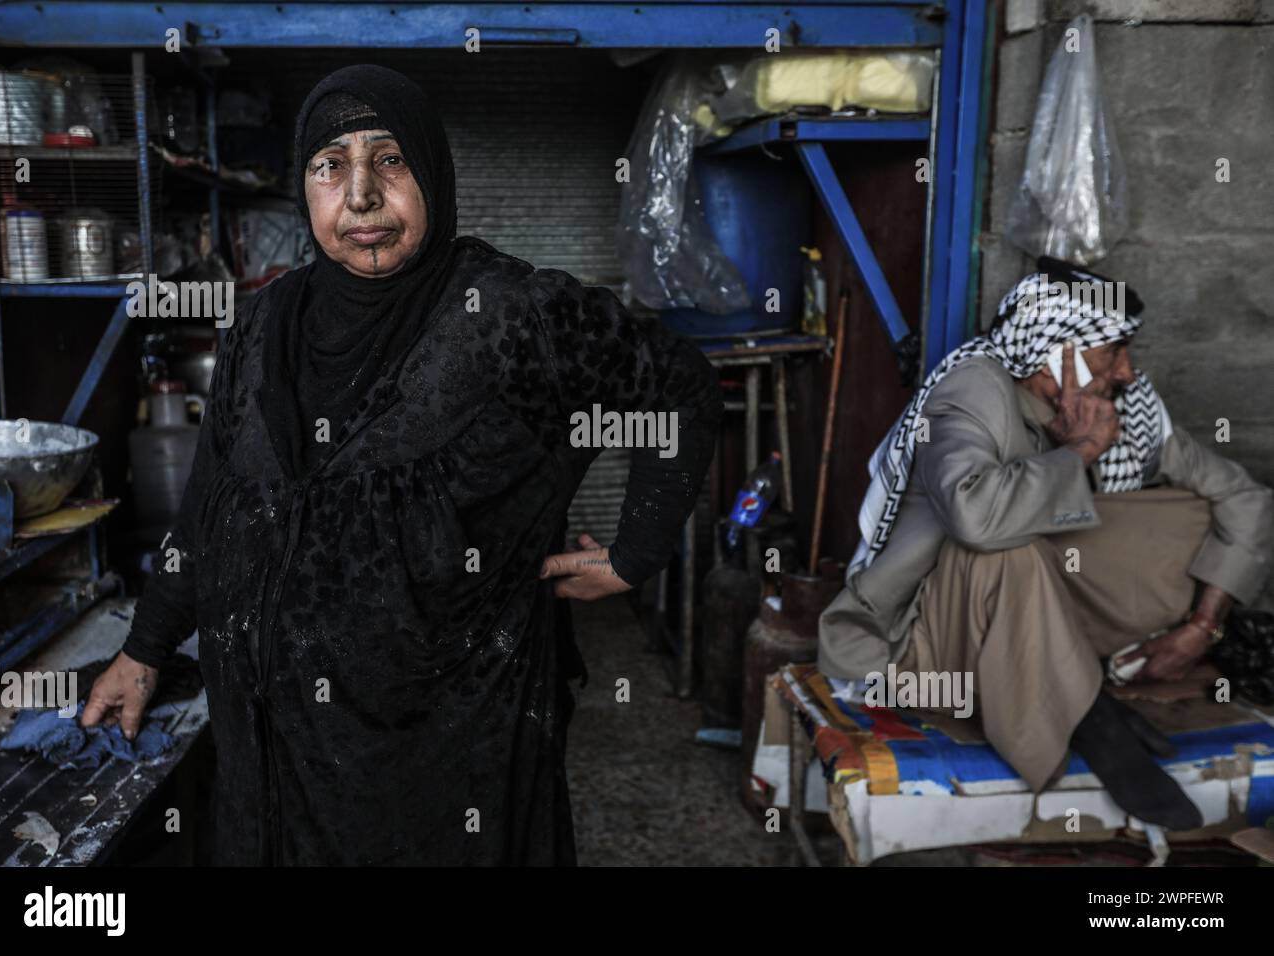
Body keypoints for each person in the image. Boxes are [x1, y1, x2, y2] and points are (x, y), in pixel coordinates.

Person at [81, 64, 722, 865]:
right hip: (268, 769)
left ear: (431, 171)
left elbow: (683, 388)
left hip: (441, 780)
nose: (360, 196)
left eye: (390, 159)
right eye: (330, 165)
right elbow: (211, 501)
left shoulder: (511, 317)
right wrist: (145, 650)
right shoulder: (262, 325)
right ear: (305, 184)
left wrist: (636, 551)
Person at [818, 258, 1273, 830]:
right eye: (1114, 352)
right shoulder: (972, 390)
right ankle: (1087, 718)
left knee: (1193, 509)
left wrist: (1202, 626)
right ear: (1060, 351)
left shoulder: (1126, 410)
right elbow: (975, 516)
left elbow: (1247, 499)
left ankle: (1079, 680)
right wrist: (1077, 454)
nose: (1128, 373)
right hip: (919, 648)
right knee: (1001, 544)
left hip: (1032, 621)